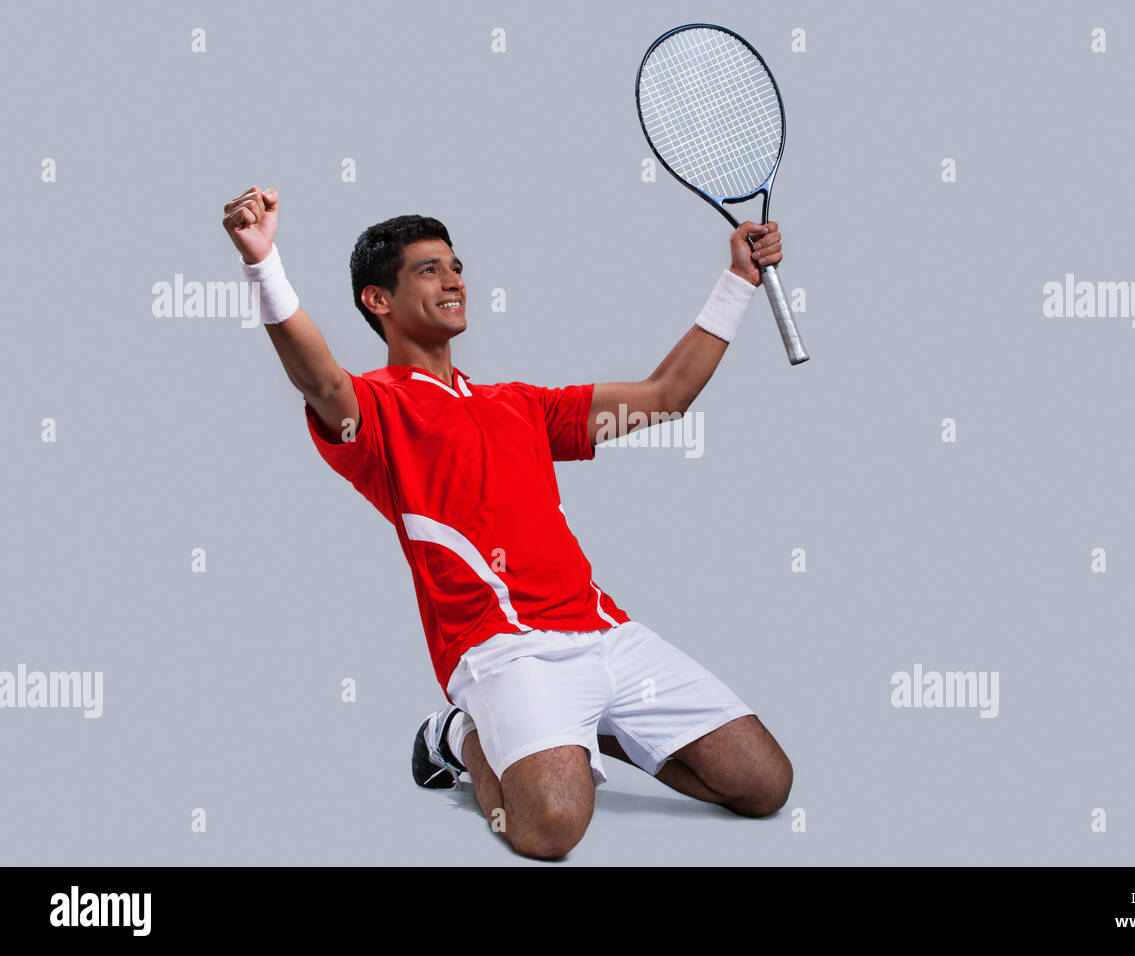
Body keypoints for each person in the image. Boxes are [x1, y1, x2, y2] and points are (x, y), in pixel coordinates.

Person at [221, 185, 794, 859]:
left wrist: (737, 280)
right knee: (550, 829)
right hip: (504, 650)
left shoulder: (519, 405)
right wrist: (263, 264)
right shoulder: (375, 413)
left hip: (605, 633)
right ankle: (460, 736)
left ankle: (579, 732)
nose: (454, 279)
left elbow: (666, 397)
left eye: (457, 265)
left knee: (764, 785)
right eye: (429, 269)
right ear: (379, 301)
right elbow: (319, 380)